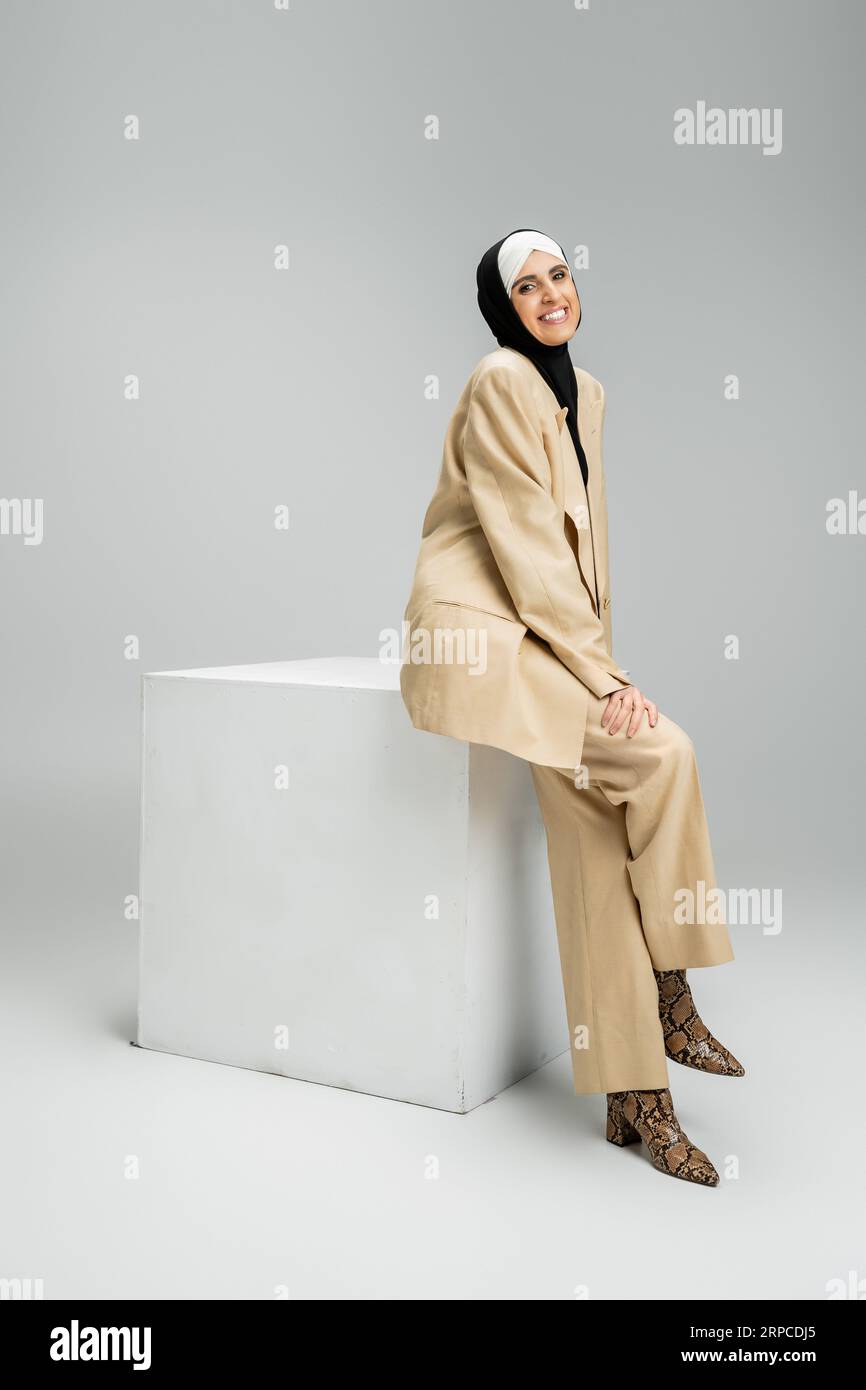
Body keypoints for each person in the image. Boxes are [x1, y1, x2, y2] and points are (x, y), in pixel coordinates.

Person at [399, 227, 744, 1187]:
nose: (550, 292)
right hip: (481, 632)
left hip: (545, 632)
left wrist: (602, 659)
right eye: (526, 285)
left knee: (594, 835)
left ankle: (637, 1101)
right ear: (501, 310)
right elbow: (523, 547)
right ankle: (671, 990)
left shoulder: (586, 394)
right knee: (662, 756)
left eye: (560, 274)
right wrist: (605, 678)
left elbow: (582, 550)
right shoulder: (501, 380)